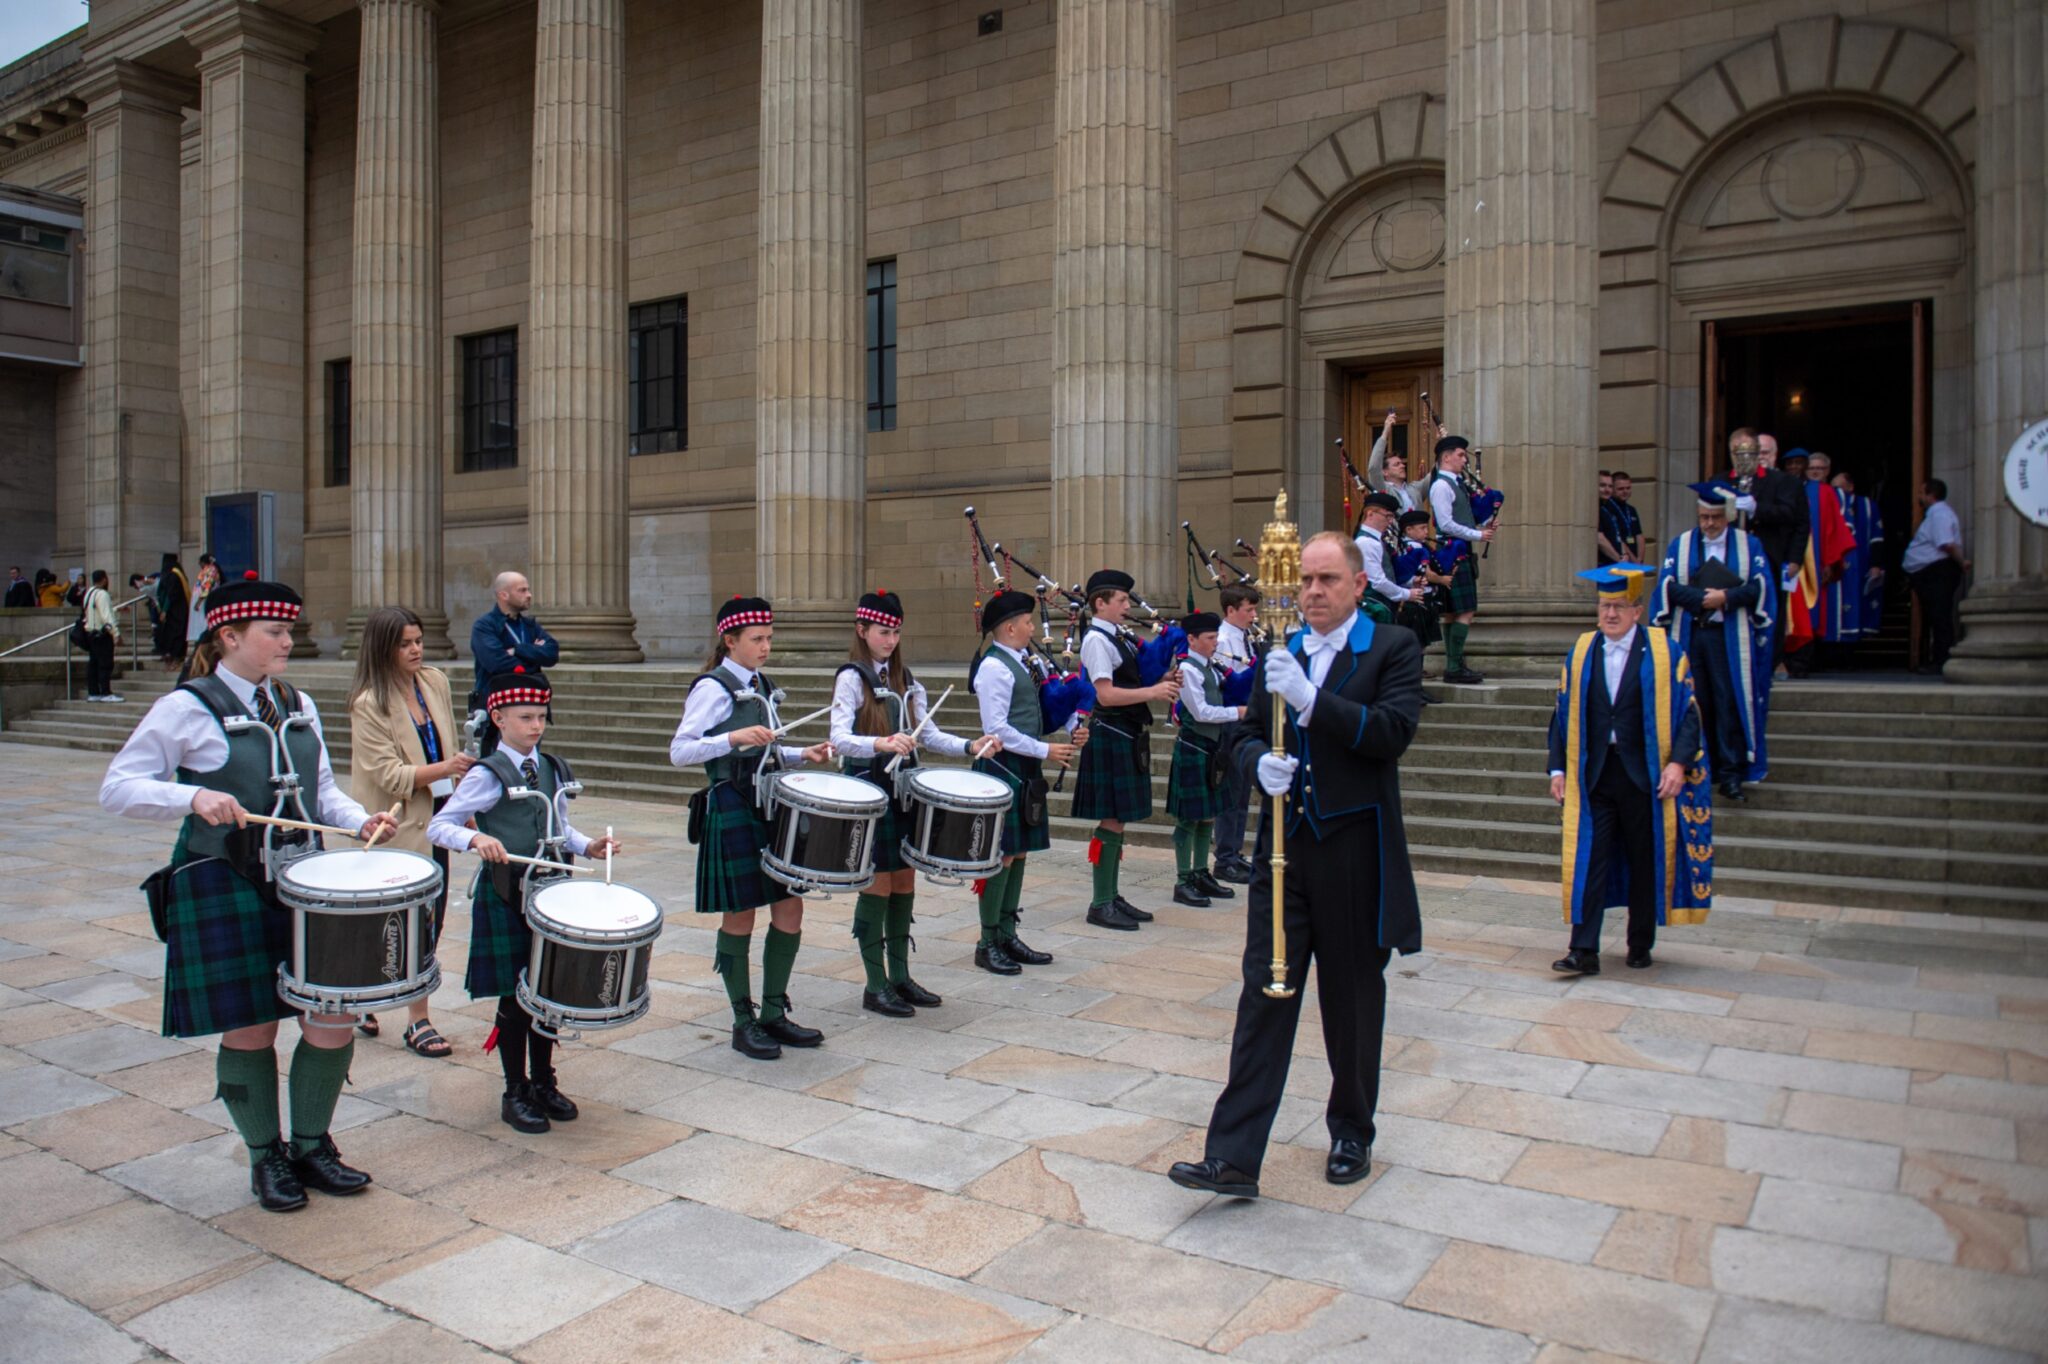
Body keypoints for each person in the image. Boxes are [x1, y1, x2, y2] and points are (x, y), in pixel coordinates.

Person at [100, 578, 399, 1211]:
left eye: (290, 631)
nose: (289, 641)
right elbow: (119, 787)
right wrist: (192, 796)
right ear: (230, 637)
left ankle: (313, 1146)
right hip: (223, 879)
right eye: (276, 633)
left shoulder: (298, 702)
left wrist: (358, 820)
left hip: (304, 883)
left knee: (332, 1015)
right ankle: (267, 1158)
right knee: (251, 1027)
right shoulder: (186, 707)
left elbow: (320, 793)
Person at [1169, 531, 1424, 1200]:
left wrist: (1313, 702)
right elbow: (1246, 735)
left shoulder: (1391, 647)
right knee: (1265, 995)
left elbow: (1392, 733)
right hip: (1283, 855)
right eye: (1306, 580)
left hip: (1354, 855)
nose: (1312, 591)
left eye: (1327, 580)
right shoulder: (1285, 649)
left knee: (1351, 1000)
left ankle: (1351, 1129)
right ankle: (1232, 1156)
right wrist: (1260, 766)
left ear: (1359, 585)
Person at [430, 667, 619, 1132]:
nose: (536, 725)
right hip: (506, 892)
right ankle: (515, 1089)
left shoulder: (551, 766)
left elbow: (559, 824)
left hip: (551, 893)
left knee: (549, 990)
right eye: (525, 717)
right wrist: (475, 842)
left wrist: (587, 845)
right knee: (516, 997)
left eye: (541, 716)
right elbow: (441, 825)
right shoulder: (487, 774)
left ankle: (544, 1081)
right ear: (498, 717)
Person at [670, 597, 835, 1058]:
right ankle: (744, 1020)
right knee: (741, 913)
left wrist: (804, 755)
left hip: (771, 804)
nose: (765, 647)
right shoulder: (713, 688)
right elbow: (680, 751)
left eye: (769, 639)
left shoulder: (763, 684)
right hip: (732, 803)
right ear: (730, 641)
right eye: (757, 640)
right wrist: (732, 737)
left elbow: (770, 750)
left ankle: (774, 1013)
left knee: (789, 907)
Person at [830, 590, 998, 1015]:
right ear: (862, 630)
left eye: (896, 631)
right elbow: (838, 739)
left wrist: (968, 745)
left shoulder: (907, 680)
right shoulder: (851, 677)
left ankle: (900, 977)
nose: (890, 639)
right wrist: (881, 742)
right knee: (878, 884)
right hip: (869, 788)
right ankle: (874, 984)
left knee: (904, 881)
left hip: (905, 789)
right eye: (883, 631)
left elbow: (929, 734)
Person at [1548, 565, 1711, 975]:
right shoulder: (1582, 650)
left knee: (1644, 860)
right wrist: (1557, 769)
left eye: (1619, 607)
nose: (1610, 615)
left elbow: (1689, 714)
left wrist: (1677, 763)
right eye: (1604, 606)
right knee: (1591, 859)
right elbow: (1562, 712)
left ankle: (1639, 943)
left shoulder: (1665, 651)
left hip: (1645, 776)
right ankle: (1583, 949)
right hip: (1596, 775)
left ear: (1637, 611)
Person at [348, 605, 475, 1056]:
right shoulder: (368, 702)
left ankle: (416, 1018)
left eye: (419, 640)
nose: (416, 649)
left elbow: (449, 745)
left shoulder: (434, 682)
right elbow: (388, 775)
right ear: (383, 648)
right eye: (405, 643)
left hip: (434, 825)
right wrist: (447, 767)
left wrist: (463, 803)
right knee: (385, 925)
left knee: (430, 921)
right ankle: (360, 997)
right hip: (390, 830)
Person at [970, 591, 1088, 973]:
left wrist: (1072, 725)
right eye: (1027, 621)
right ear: (1009, 627)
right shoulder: (994, 668)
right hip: (1002, 768)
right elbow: (996, 729)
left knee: (1018, 852)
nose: (1032, 628)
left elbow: (1043, 704)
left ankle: (1007, 933)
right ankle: (987, 942)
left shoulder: (1025, 662)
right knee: (1001, 855)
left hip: (1024, 768)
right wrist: (1045, 750)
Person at [1652, 483, 1774, 802]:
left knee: (1728, 701)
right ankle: (1697, 767)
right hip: (1692, 635)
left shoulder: (1749, 546)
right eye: (1704, 517)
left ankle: (1731, 773)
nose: (1709, 524)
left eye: (1715, 518)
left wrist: (1726, 597)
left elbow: (1759, 588)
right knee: (1695, 701)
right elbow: (1667, 588)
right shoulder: (1682, 545)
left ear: (1728, 517)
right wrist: (1704, 599)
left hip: (1729, 639)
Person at [1075, 569, 1179, 930]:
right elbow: (1105, 694)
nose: (1127, 605)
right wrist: (1152, 693)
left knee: (1118, 821)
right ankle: (1100, 902)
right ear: (1100, 603)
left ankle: (1111, 895)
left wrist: (1163, 680)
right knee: (1111, 819)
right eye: (1121, 600)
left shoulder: (1119, 637)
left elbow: (1129, 681)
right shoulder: (1096, 641)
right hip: (1110, 731)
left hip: (1126, 731)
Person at [1167, 612, 1243, 908]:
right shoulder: (1188, 670)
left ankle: (1200, 873)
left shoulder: (1211, 668)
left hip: (1212, 748)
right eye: (1209, 638)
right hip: (1194, 747)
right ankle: (1183, 879)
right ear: (1191, 640)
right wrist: (1238, 712)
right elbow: (1200, 712)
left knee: (1208, 813)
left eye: (1214, 637)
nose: (1215, 643)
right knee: (1188, 817)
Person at [1776, 450, 1856, 677]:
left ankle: (1802, 664)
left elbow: (1832, 529)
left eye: (1799, 463)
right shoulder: (1779, 486)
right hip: (1782, 561)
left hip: (1810, 566)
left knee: (1809, 614)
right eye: (1789, 463)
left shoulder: (1823, 492)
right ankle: (1780, 661)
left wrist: (1829, 562)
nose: (1794, 468)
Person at [1429, 434, 1493, 684]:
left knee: (1455, 612)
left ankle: (1454, 664)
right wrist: (1478, 534)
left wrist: (1485, 522)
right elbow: (1445, 524)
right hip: (1452, 552)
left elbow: (1462, 517)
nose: (1464, 459)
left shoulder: (1457, 484)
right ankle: (1454, 666)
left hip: (1458, 551)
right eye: (1460, 454)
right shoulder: (1441, 486)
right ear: (1446, 457)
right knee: (1464, 611)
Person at [1209, 584, 1262, 885]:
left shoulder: (1243, 636)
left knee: (1242, 792)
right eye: (1248, 609)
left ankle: (1234, 851)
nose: (1253, 615)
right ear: (1231, 611)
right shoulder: (1222, 639)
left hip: (1246, 717)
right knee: (1230, 790)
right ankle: (1225, 858)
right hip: (1230, 719)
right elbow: (1225, 684)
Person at [469, 571, 559, 707]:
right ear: (503, 595)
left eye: (528, 590)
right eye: (522, 591)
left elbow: (552, 653)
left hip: (530, 701)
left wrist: (518, 650)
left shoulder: (530, 625)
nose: (529, 595)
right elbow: (496, 663)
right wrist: (533, 660)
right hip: (495, 706)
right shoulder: (484, 626)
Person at [1903, 478, 1966, 672]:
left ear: (1930, 495)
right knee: (1935, 616)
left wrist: (1961, 561)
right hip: (1931, 572)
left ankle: (1941, 660)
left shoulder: (1940, 515)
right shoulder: (1935, 515)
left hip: (1938, 572)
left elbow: (1946, 543)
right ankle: (1937, 658)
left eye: (1921, 493)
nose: (1919, 497)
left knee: (1940, 616)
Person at [1830, 470, 1885, 646]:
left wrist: (1876, 564)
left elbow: (1877, 537)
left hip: (1862, 562)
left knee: (1861, 607)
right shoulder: (1831, 505)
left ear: (1851, 487)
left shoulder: (1866, 506)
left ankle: (1853, 652)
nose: (1836, 493)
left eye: (1839, 488)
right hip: (1836, 564)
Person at [1394, 509, 1450, 657]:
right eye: (1422, 528)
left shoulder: (1406, 545)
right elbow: (1426, 572)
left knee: (1418, 642)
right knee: (1418, 642)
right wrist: (1443, 580)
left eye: (1426, 527)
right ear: (1409, 530)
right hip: (1416, 597)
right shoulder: (1415, 548)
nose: (1426, 531)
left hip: (1417, 596)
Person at [1356, 491, 1412, 620]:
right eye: (1387, 516)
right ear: (1370, 514)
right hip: (1374, 606)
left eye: (1392, 517)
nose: (1390, 521)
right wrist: (1407, 594)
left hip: (1382, 605)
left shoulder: (1377, 540)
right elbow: (1377, 582)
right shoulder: (1366, 542)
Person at [1366, 410, 1420, 515]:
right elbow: (1373, 468)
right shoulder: (1382, 488)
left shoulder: (1415, 489)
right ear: (1385, 472)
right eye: (1397, 464)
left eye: (1402, 463)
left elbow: (1434, 474)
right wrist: (1385, 433)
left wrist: (1443, 444)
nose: (1403, 466)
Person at [82, 570, 122, 703]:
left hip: (90, 633)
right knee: (105, 664)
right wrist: (115, 633)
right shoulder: (103, 594)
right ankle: (106, 692)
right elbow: (106, 616)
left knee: (93, 663)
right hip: (102, 634)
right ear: (104, 579)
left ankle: (93, 692)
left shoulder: (89, 593)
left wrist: (115, 609)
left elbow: (95, 612)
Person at [152, 555, 190, 667]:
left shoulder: (172, 575)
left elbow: (171, 594)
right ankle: (173, 657)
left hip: (175, 611)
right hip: (178, 610)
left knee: (175, 634)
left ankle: (175, 658)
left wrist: (164, 610)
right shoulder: (177, 573)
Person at [1607, 473, 1644, 563]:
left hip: (1634, 562)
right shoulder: (1608, 508)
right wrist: (1634, 560)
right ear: (1612, 489)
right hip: (1619, 561)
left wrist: (1640, 559)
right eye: (1621, 489)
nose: (1625, 491)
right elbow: (1618, 539)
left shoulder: (1631, 510)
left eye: (1628, 488)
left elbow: (1639, 536)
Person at [188, 554, 220, 650]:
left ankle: (203, 641)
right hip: (201, 600)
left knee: (203, 622)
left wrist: (199, 601)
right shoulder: (207, 570)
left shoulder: (211, 570)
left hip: (204, 601)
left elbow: (207, 586)